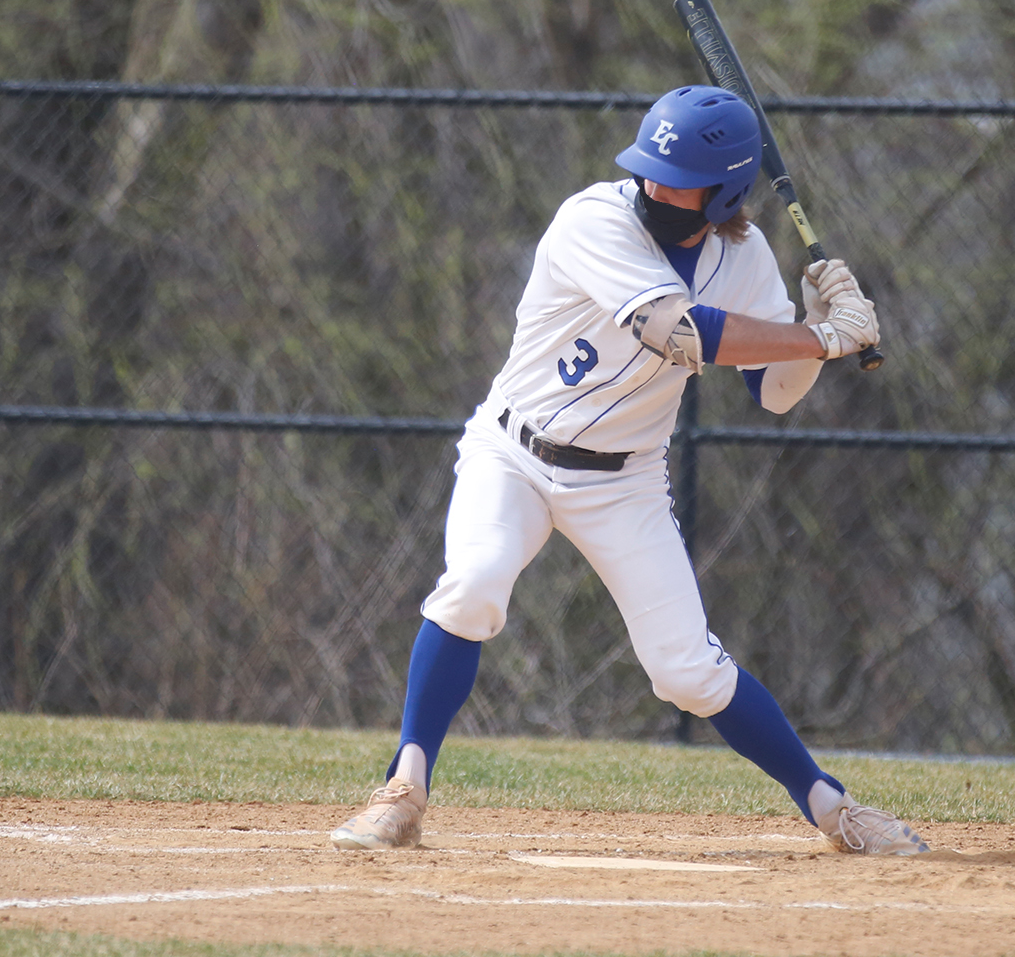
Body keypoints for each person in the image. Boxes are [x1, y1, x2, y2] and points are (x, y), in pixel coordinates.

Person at [327, 84, 928, 856]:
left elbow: (774, 395)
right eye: (648, 165)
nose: (653, 185)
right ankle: (404, 788)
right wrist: (819, 340)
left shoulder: (741, 258)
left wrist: (815, 328)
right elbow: (677, 333)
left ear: (723, 194)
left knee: (688, 672)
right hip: (513, 451)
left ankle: (833, 808)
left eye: (676, 179)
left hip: (624, 481)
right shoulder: (593, 218)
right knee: (474, 584)